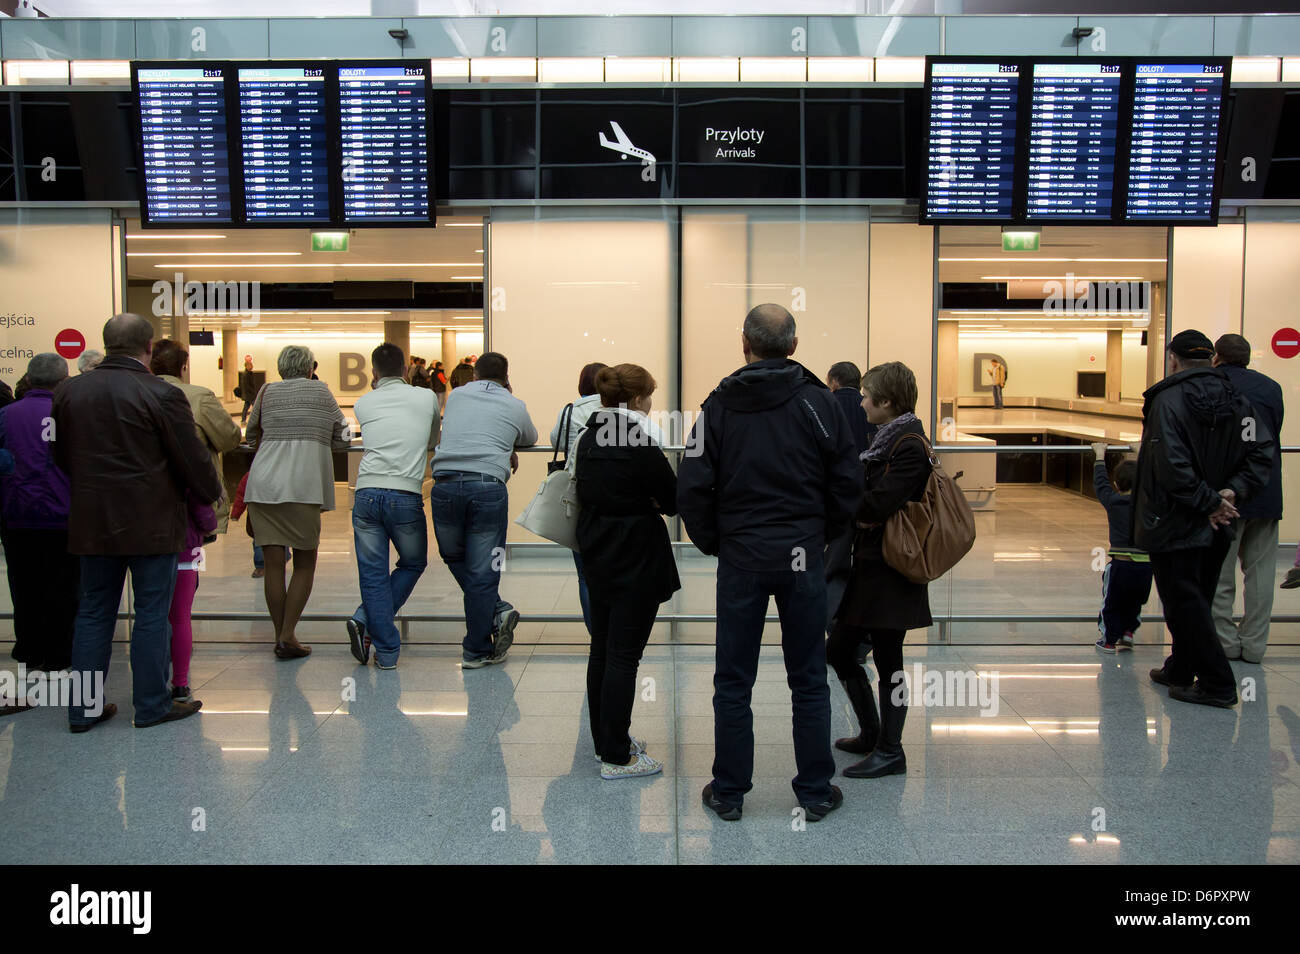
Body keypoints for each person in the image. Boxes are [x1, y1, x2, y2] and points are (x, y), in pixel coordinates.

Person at [678, 303, 860, 822]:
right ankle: (816, 791)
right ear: (794, 346)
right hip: (803, 556)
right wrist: (821, 535)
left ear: (745, 344)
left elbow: (692, 486)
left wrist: (719, 542)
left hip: (742, 557)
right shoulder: (820, 403)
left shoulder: (717, 407)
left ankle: (730, 792)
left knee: (733, 679)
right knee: (808, 677)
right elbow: (848, 480)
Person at [52, 313, 222, 731]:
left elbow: (59, 457)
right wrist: (208, 493)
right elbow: (191, 459)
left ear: (106, 344)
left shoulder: (69, 392)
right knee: (151, 612)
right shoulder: (160, 394)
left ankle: (84, 708)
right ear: (148, 348)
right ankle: (151, 705)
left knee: (93, 612)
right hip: (153, 523)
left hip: (93, 521)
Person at [1133, 330, 1273, 708]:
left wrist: (1208, 501)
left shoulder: (1167, 400)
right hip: (1219, 521)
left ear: (1173, 359)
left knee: (1182, 602)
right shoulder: (1238, 399)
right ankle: (1180, 667)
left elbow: (1171, 464)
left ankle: (1217, 683)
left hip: (1175, 518)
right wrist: (1231, 493)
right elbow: (1262, 453)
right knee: (1198, 596)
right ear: (1211, 360)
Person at [826, 362, 932, 778]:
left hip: (892, 571)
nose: (862, 401)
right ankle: (873, 734)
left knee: (889, 661)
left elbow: (875, 505)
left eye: (868, 395)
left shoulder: (908, 445)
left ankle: (891, 748)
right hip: (872, 569)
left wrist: (845, 497)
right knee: (838, 651)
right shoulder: (886, 440)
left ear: (887, 402)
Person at [576, 364, 679, 779]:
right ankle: (618, 756)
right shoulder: (638, 438)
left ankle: (607, 741)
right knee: (624, 656)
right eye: (650, 395)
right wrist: (649, 502)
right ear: (637, 400)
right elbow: (672, 499)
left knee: (601, 647)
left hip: (596, 550)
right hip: (636, 553)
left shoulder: (588, 435)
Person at [430, 352, 538, 668]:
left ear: (474, 374)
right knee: (484, 569)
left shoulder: (458, 396)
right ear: (507, 377)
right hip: (486, 487)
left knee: (453, 556)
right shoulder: (513, 403)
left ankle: (495, 613)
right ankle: (477, 646)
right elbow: (530, 437)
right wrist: (508, 445)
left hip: (445, 485)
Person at [244, 345, 351, 660]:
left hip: (264, 486)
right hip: (303, 487)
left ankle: (283, 636)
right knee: (305, 563)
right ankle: (287, 635)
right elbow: (343, 435)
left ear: (280, 368)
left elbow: (252, 435)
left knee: (274, 565)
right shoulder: (321, 392)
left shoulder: (266, 392)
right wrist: (322, 441)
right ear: (310, 368)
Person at [345, 343, 440, 670]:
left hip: (366, 492)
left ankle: (386, 652)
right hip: (404, 495)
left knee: (372, 574)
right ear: (405, 370)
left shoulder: (363, 402)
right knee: (413, 563)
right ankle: (365, 620)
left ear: (373, 373)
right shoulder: (426, 398)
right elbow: (431, 440)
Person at [0, 353, 78, 673]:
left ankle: (31, 651)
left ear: (28, 380)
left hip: (17, 517)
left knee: (24, 587)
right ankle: (60, 654)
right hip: (63, 517)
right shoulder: (72, 415)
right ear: (64, 381)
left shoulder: (5, 415)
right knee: (64, 588)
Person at [1211, 334, 1285, 663]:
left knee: (1221, 573)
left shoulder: (1214, 385)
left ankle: (1225, 642)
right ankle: (1254, 646)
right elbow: (1270, 433)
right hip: (1266, 493)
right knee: (1261, 573)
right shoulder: (1271, 388)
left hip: (1226, 494)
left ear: (1217, 357)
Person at [151, 339, 242, 532]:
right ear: (183, 367)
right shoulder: (199, 397)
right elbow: (229, 438)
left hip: (145, 497)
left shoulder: (134, 393)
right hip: (190, 498)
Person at [551, 361, 608, 634]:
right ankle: (614, 633)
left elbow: (556, 441)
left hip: (579, 497)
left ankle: (596, 635)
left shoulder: (571, 409)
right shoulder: (618, 409)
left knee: (585, 574)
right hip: (614, 497)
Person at [1088, 445, 1153, 654]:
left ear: (1116, 483)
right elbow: (1156, 481)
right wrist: (1141, 454)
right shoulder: (1149, 502)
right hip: (1146, 567)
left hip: (1120, 566)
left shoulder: (1114, 501)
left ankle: (1108, 640)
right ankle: (1128, 633)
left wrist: (1099, 456)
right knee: (1135, 602)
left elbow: (1100, 485)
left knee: (1112, 603)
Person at [169, 489, 216, 704]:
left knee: (150, 617)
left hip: (144, 544)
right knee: (180, 618)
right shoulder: (184, 457)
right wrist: (209, 525)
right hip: (185, 544)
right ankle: (179, 684)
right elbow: (201, 504)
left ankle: (149, 686)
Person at [826, 361, 874, 457]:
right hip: (867, 467)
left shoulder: (825, 405)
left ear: (835, 381)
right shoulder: (872, 406)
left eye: (827, 381)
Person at [238, 355, 257, 424]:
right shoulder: (247, 374)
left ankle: (243, 420)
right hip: (250, 394)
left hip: (248, 394)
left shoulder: (247, 374)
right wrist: (254, 393)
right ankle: (255, 420)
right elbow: (248, 386)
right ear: (247, 366)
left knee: (246, 407)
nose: (251, 367)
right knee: (255, 407)